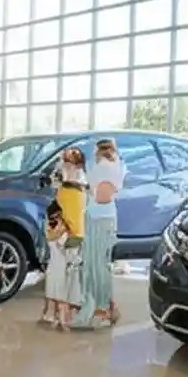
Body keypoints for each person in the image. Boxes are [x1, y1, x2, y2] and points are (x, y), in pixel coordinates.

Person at [76, 138, 125, 329]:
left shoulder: (103, 167)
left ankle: (102, 309)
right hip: (103, 216)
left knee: (96, 265)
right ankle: (107, 307)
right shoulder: (116, 167)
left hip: (98, 218)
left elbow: (99, 195)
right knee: (99, 264)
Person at [43, 148, 86, 329]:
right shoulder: (73, 187)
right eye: (64, 163)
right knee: (60, 272)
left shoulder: (73, 188)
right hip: (65, 233)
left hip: (67, 233)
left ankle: (57, 312)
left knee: (61, 273)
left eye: (68, 163)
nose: (65, 166)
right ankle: (56, 311)